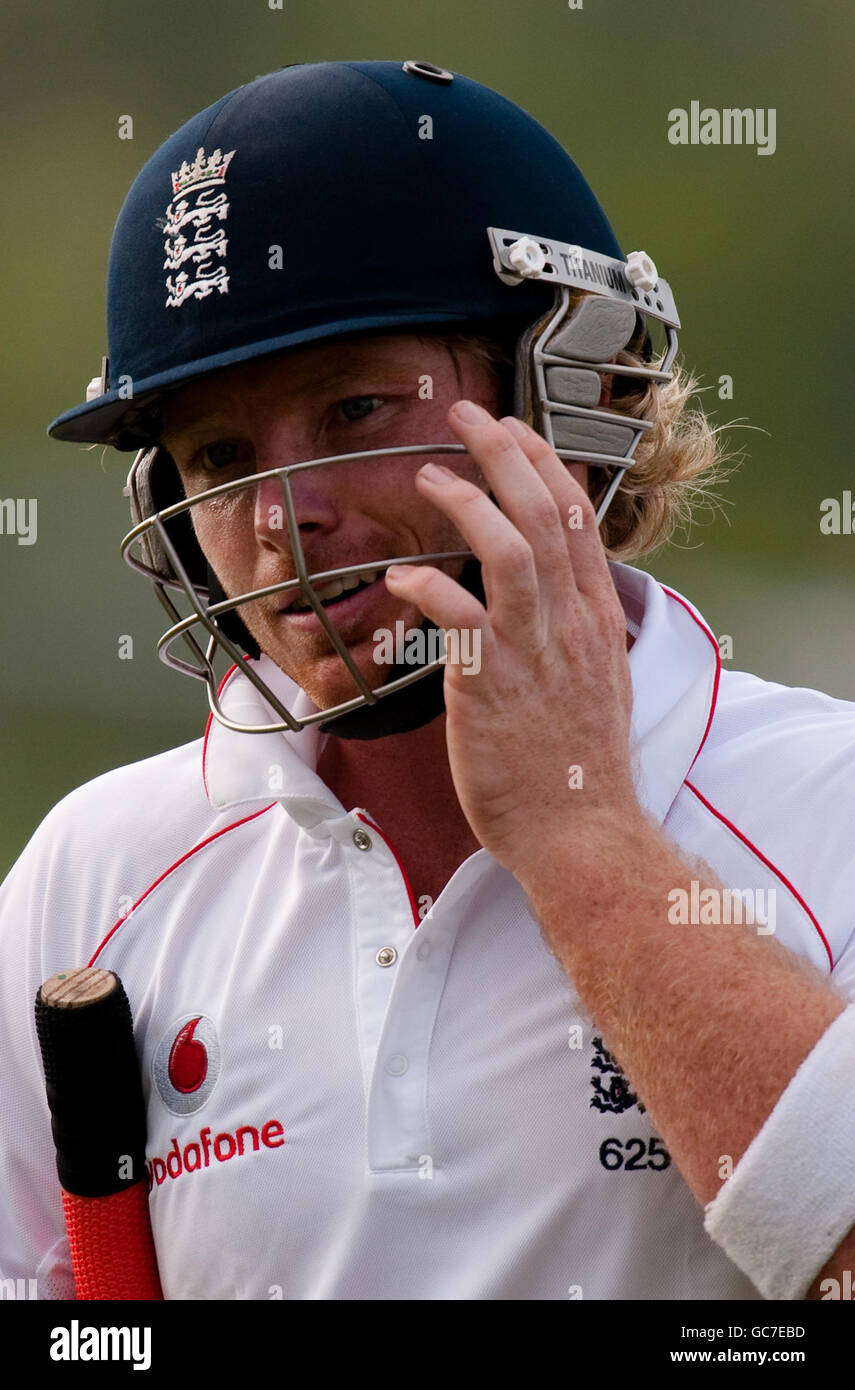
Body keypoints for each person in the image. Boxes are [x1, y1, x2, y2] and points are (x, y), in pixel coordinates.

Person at [2, 59, 855, 1302]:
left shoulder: (826, 806)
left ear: (579, 392)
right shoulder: (96, 874)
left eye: (353, 409)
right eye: (222, 454)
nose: (283, 514)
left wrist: (578, 836)